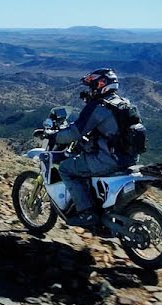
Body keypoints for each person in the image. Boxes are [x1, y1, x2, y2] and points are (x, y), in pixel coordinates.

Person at [34, 68, 140, 217]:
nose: (90, 91)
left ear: (101, 85)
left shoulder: (99, 107)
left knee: (66, 168)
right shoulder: (125, 104)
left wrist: (53, 136)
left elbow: (74, 132)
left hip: (108, 160)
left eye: (92, 86)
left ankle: (86, 211)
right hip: (129, 158)